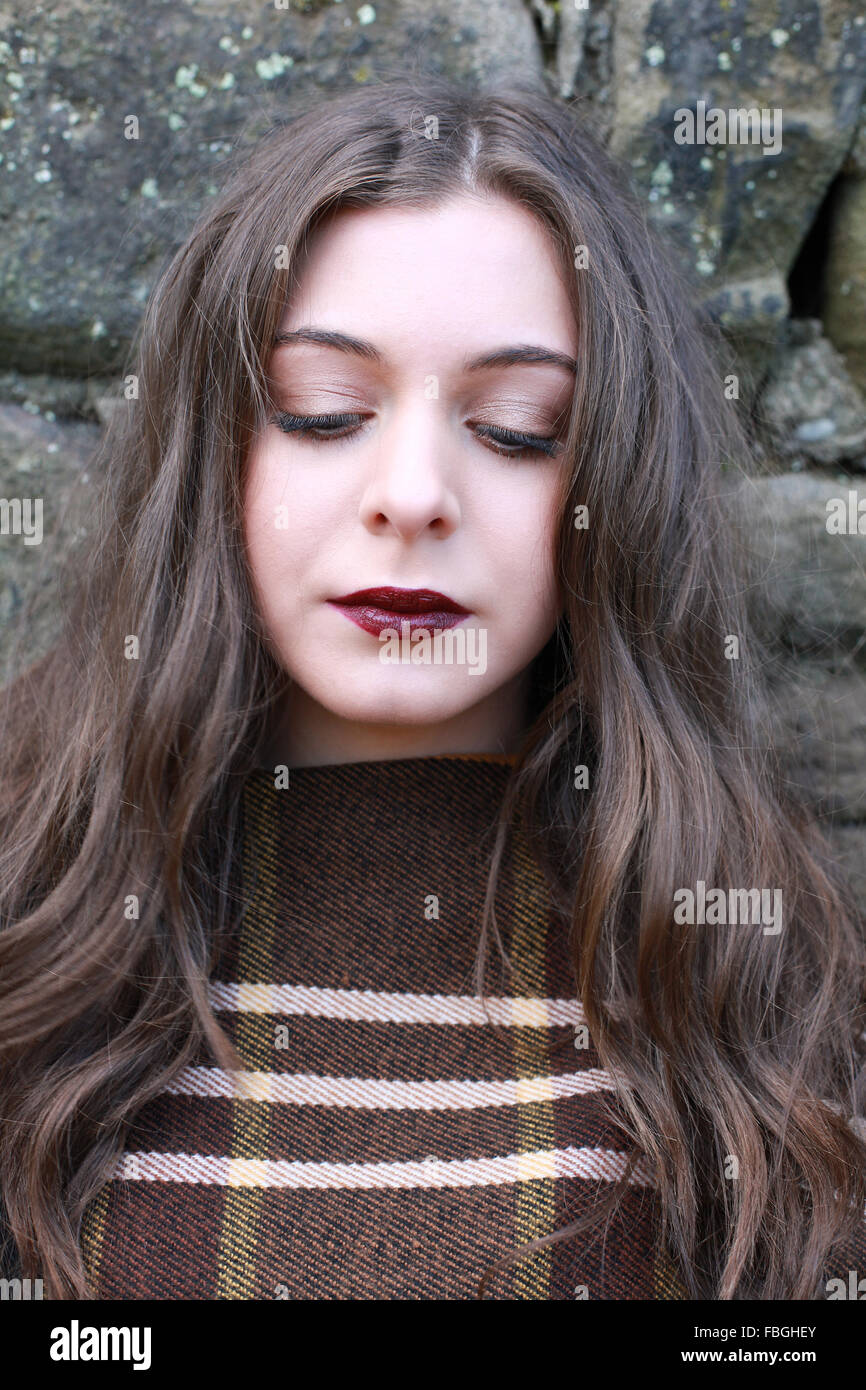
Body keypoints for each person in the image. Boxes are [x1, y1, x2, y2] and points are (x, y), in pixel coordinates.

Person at [1, 75, 864, 1301]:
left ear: (612, 488)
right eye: (323, 411)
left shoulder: (754, 990)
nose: (412, 493)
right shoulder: (29, 926)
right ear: (215, 451)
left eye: (515, 426)